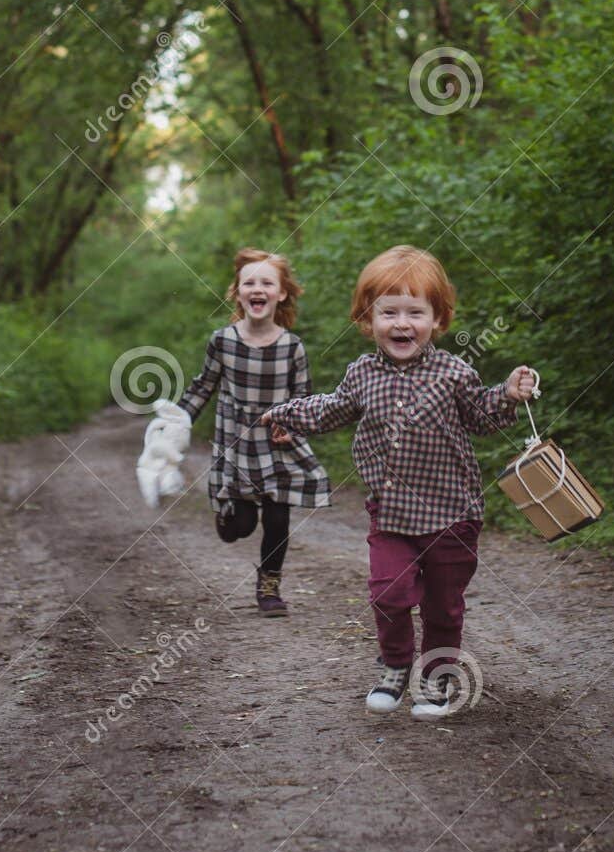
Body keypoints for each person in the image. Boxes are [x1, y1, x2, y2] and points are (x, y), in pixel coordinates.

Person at [262, 245, 535, 715]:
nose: (402, 324)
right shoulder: (362, 374)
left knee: (443, 607)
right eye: (389, 312)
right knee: (388, 591)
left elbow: (483, 417)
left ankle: (436, 678)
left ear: (438, 320)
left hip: (453, 514)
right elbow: (330, 409)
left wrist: (507, 395)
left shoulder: (453, 373)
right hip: (391, 513)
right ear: (368, 320)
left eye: (415, 312)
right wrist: (288, 414)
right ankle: (394, 664)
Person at [178, 248, 331, 617]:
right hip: (237, 442)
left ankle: (269, 587)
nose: (257, 288)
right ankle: (227, 516)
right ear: (237, 292)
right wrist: (177, 420)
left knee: (278, 518)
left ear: (281, 294)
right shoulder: (223, 341)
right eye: (249, 282)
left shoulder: (292, 347)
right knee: (240, 526)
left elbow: (303, 398)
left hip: (277, 443)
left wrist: (292, 426)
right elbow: (204, 387)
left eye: (267, 282)